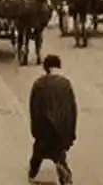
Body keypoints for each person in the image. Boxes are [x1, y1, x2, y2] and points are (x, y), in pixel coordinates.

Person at [28, 54, 77, 185]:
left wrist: (36, 131)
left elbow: (34, 109)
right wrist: (71, 132)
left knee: (38, 153)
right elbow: (72, 109)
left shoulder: (39, 84)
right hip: (61, 129)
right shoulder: (65, 84)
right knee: (59, 152)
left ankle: (32, 174)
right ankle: (62, 170)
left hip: (44, 129)